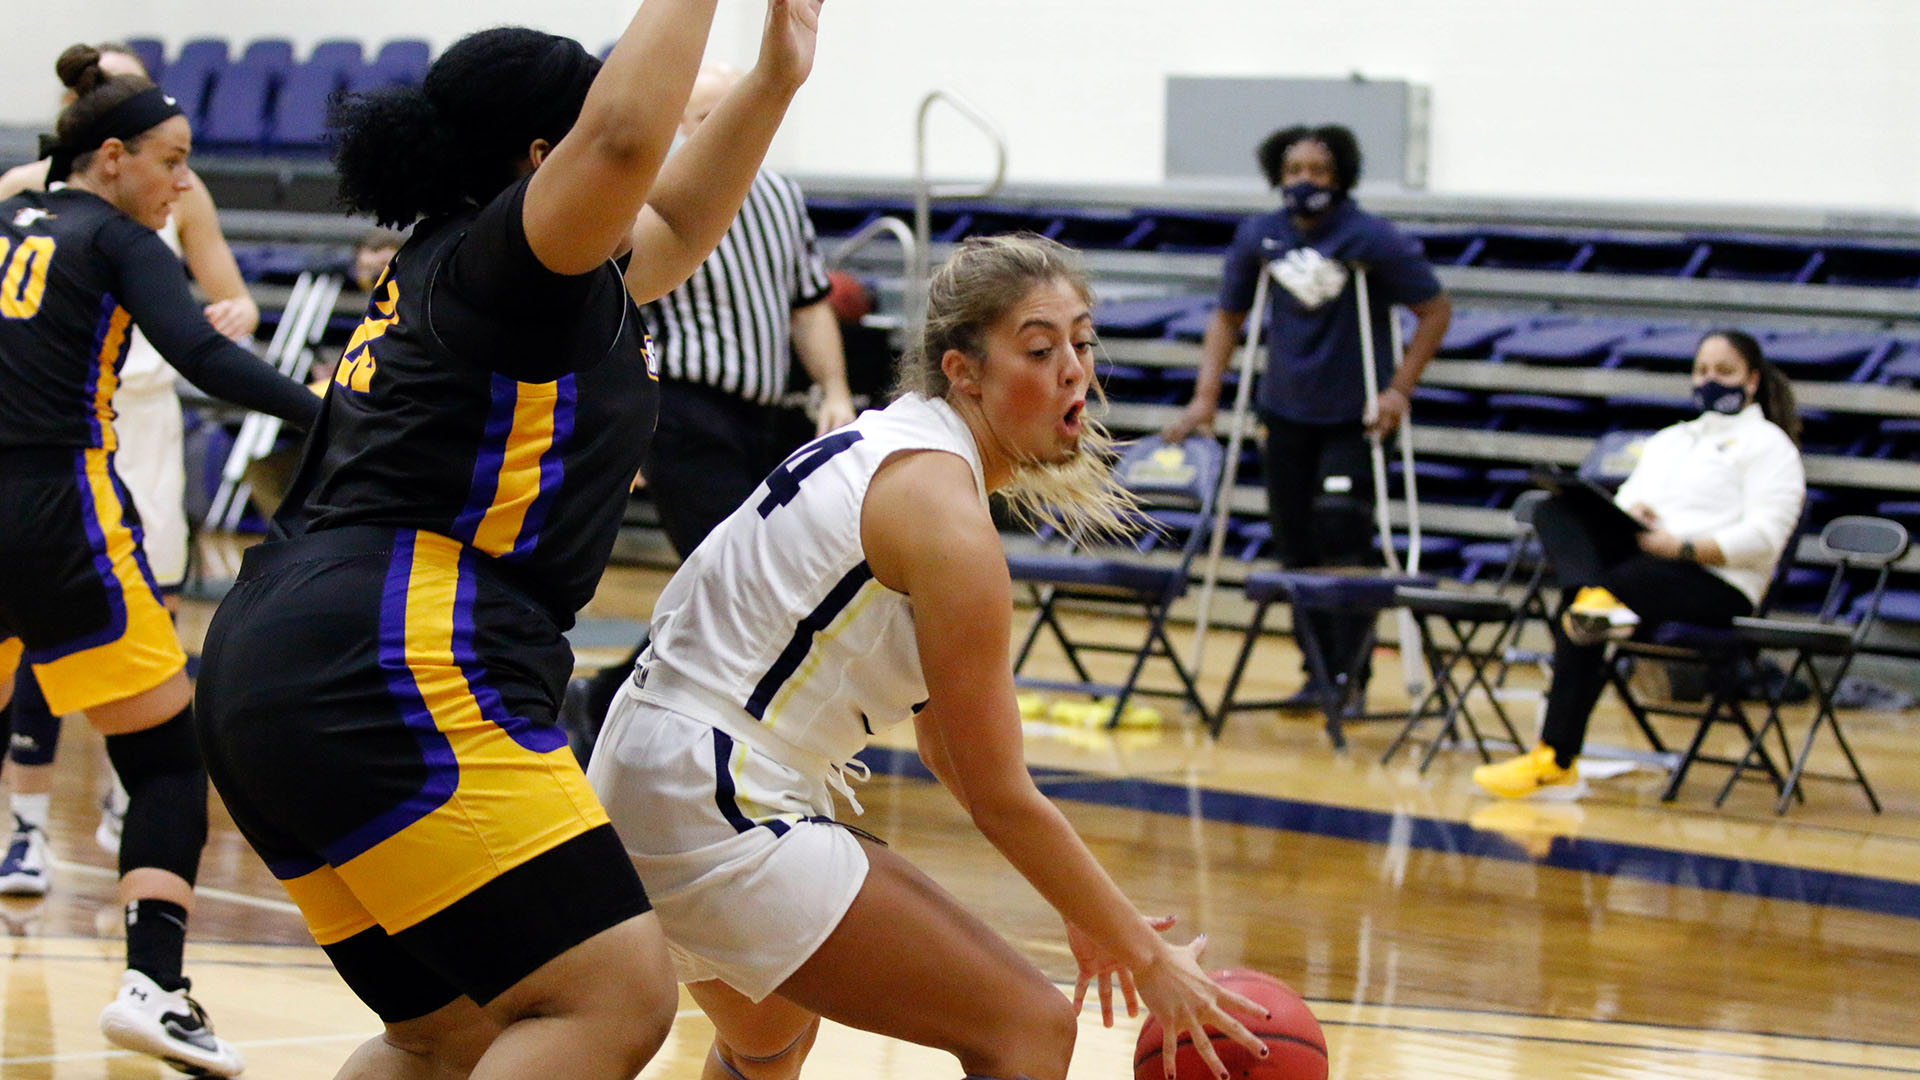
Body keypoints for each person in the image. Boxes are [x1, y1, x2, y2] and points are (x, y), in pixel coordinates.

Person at [191, 4, 824, 1078]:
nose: (655, 148)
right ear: (545, 160)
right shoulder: (512, 260)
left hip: (288, 655)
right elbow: (625, 144)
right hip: (394, 650)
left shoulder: (503, 269)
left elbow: (675, 217)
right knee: (613, 1002)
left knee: (451, 1039)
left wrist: (774, 81)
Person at [587, 234, 1271, 1080]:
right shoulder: (945, 513)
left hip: (643, 768)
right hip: (714, 788)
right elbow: (998, 791)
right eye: (1039, 347)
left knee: (771, 1033)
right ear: (963, 371)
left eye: (1083, 343)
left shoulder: (894, 451)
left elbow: (948, 748)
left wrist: (1090, 912)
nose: (1073, 372)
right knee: (1027, 1030)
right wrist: (1145, 955)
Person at [0, 46, 324, 1075]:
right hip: (57, 505)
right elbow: (205, 352)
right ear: (111, 158)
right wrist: (331, 416)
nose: (182, 184)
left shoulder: (8, 215)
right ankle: (155, 986)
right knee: (166, 762)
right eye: (172, 162)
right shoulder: (116, 236)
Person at [0, 40, 260, 899]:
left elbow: (232, 307)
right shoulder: (58, 201)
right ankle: (34, 830)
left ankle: (120, 803)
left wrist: (234, 312)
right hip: (70, 450)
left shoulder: (170, 187)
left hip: (139, 416)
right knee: (70, 628)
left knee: (152, 609)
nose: (180, 172)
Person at [564, 63, 856, 754]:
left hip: (760, 416)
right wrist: (619, 430)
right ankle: (622, 709)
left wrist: (836, 390)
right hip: (680, 409)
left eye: (735, 115)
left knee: (732, 582)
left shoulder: (782, 195)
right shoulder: (655, 200)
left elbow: (808, 303)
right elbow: (610, 312)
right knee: (733, 574)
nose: (724, 131)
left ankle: (605, 700)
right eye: (704, 119)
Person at [1161, 123, 1451, 707]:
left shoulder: (1371, 237)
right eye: (1293, 172)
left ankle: (1352, 678)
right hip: (1285, 412)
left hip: (1355, 415)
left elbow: (1434, 308)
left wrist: (1398, 390)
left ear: (1340, 175)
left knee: (1343, 534)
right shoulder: (1260, 236)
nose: (1304, 183)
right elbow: (1228, 318)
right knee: (1294, 546)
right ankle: (1316, 674)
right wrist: (1205, 396)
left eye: (1317, 172)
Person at [1474, 330, 1805, 799]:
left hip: (1716, 582)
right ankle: (1593, 602)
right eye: (1702, 370)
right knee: (1556, 510)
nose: (1710, 380)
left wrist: (1684, 547)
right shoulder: (1672, 439)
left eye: (1724, 371)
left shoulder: (1771, 447)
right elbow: (1630, 499)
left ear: (1751, 380)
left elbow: (1765, 538)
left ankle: (1555, 756)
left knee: (1597, 602)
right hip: (1643, 568)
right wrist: (1633, 514)